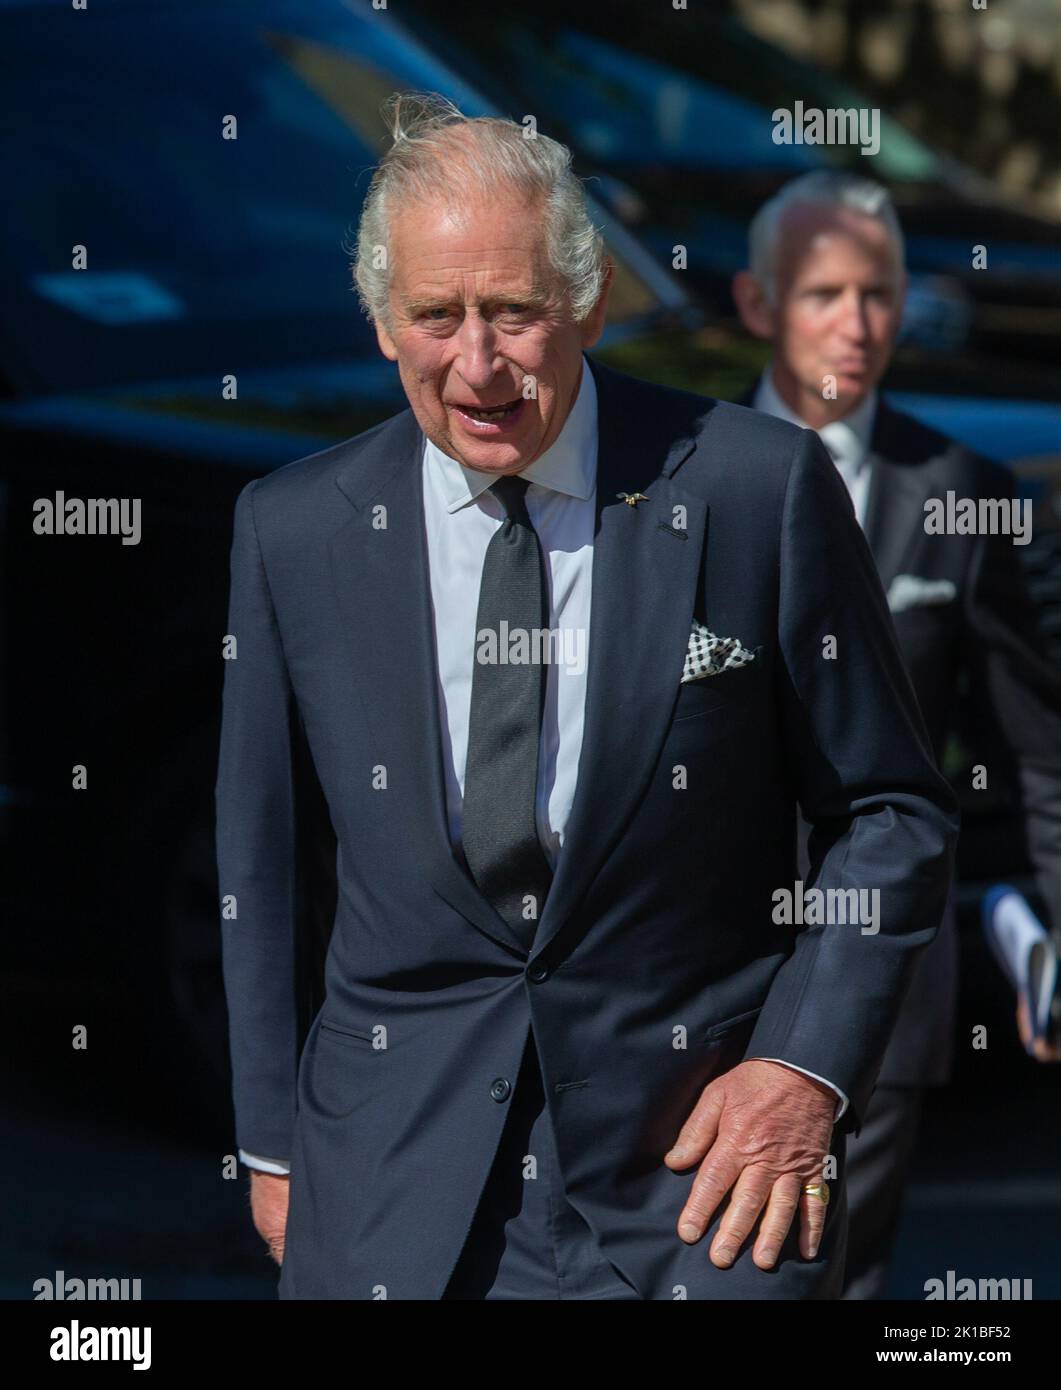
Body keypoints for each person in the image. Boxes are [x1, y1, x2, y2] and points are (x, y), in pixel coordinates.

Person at [215, 95, 958, 1301]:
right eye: (434, 317)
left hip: (699, 1192)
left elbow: (889, 810)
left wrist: (803, 1070)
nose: (476, 364)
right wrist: (272, 1142)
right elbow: (261, 861)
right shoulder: (294, 530)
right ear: (380, 323)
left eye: (513, 313)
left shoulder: (748, 492)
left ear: (589, 300)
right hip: (389, 1190)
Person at [732, 170, 1061, 1299]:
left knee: (840, 1273)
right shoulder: (679, 475)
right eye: (824, 292)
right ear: (756, 303)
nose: (857, 324)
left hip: (888, 980)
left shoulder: (954, 490)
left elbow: (1030, 746)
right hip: (693, 958)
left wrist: (1049, 928)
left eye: (877, 293)